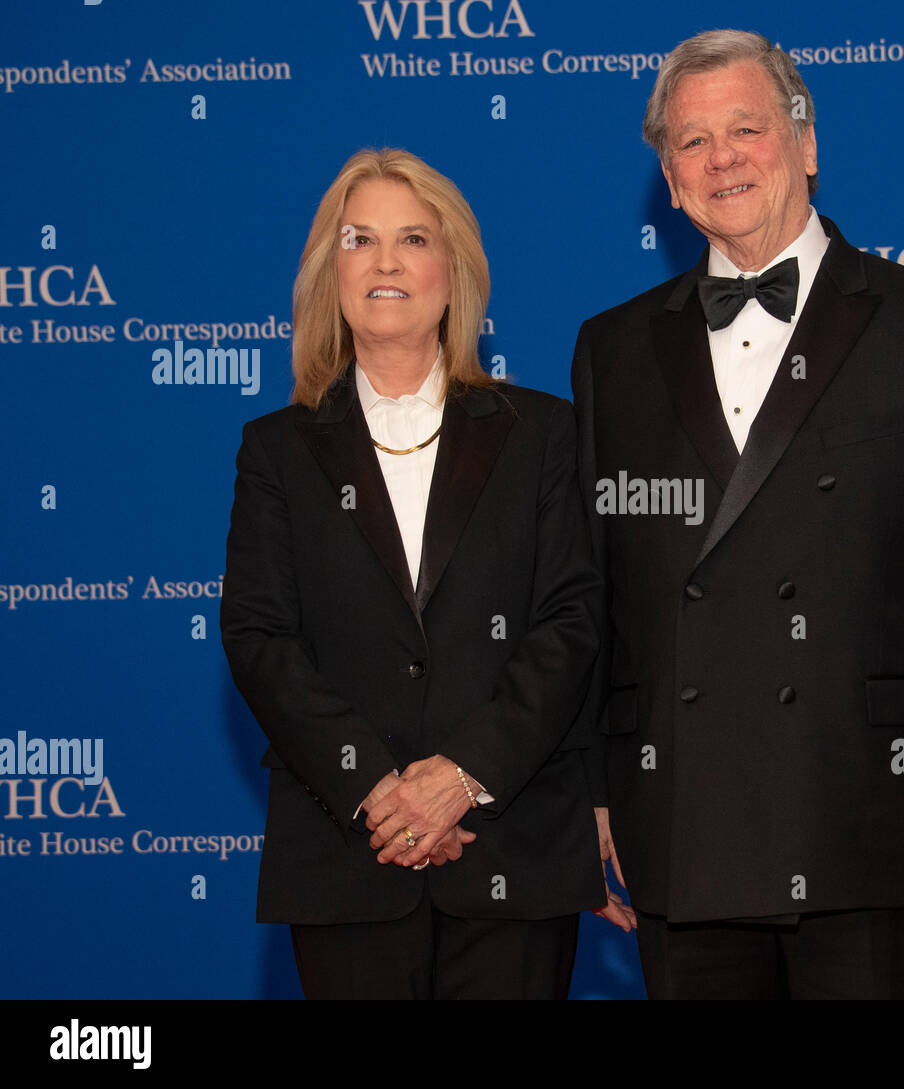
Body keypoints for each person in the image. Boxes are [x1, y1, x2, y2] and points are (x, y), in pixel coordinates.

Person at [573, 31, 904, 999]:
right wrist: (586, 789)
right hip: (685, 829)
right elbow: (595, 591)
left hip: (879, 823)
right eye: (692, 142)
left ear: (805, 144)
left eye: (745, 128)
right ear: (668, 180)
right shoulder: (611, 350)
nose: (722, 159)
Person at [221, 147, 610, 999]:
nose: (387, 261)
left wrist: (460, 777)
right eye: (360, 239)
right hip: (345, 854)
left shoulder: (541, 432)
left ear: (453, 271)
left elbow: (571, 621)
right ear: (332, 271)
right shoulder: (276, 451)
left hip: (511, 847)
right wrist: (378, 791)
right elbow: (259, 638)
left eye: (413, 238)